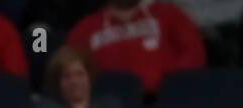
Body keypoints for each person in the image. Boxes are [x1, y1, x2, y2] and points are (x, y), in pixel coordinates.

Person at [66, 0, 206, 96]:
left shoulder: (168, 14)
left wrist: (168, 86)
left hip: (170, 101)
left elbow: (194, 55)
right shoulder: (84, 29)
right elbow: (69, 70)